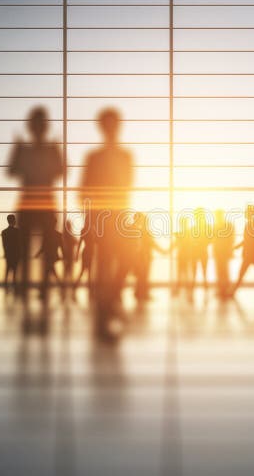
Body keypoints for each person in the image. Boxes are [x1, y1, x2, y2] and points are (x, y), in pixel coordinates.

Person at [79, 107, 134, 341]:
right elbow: (84, 188)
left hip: (118, 215)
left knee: (126, 257)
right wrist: (89, 216)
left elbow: (127, 186)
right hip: (101, 215)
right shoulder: (95, 157)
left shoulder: (125, 156)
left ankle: (110, 298)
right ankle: (104, 314)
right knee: (104, 262)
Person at [7, 106, 63, 298]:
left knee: (41, 248)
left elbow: (12, 171)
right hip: (39, 203)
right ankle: (35, 287)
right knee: (31, 247)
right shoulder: (35, 149)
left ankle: (35, 287)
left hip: (35, 203)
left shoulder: (38, 149)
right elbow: (11, 171)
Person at [131, 212, 165, 303]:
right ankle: (142, 294)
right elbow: (152, 244)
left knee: (142, 276)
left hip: (143, 257)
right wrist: (163, 251)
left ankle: (139, 293)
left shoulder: (137, 230)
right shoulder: (142, 231)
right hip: (143, 257)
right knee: (143, 275)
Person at [35, 218, 63, 291]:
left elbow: (43, 247)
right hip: (53, 256)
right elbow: (61, 246)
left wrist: (38, 254)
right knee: (50, 271)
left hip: (48, 256)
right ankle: (59, 285)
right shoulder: (58, 235)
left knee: (49, 271)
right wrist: (63, 255)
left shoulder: (47, 234)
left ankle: (44, 287)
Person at [212, 209, 234, 300]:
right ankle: (222, 290)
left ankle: (224, 290)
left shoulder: (225, 225)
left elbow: (230, 239)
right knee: (221, 271)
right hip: (220, 252)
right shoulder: (224, 225)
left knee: (223, 271)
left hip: (222, 252)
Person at [173, 216, 194, 298]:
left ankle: (183, 289)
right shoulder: (186, 233)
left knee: (184, 272)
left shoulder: (186, 234)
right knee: (182, 272)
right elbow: (176, 243)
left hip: (184, 255)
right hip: (183, 255)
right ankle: (183, 288)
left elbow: (177, 244)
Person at [191, 207, 211, 292]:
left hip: (200, 250)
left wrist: (201, 243)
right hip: (198, 250)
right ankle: (200, 284)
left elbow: (210, 239)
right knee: (197, 268)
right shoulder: (195, 227)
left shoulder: (204, 227)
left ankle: (202, 284)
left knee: (202, 268)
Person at [1, 214, 21, 291]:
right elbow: (19, 244)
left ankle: (5, 285)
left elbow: (4, 244)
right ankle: (14, 285)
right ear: (14, 221)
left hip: (9, 253)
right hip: (16, 253)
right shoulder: (18, 232)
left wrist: (5, 252)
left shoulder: (4, 232)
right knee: (15, 270)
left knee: (8, 269)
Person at [61, 218, 78, 287]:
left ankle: (65, 282)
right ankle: (69, 282)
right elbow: (75, 241)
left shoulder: (65, 234)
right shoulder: (69, 234)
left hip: (67, 252)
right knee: (69, 268)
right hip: (70, 253)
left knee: (67, 268)